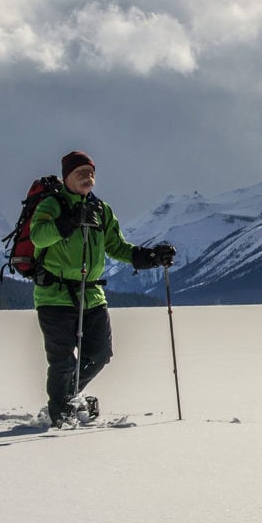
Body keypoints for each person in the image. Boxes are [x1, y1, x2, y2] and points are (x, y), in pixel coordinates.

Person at [30, 150, 176, 427]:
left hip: (93, 296)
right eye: (80, 172)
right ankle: (60, 414)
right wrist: (68, 221)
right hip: (54, 296)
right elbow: (38, 236)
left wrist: (150, 257)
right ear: (67, 178)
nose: (87, 176)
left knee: (100, 355)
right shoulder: (51, 205)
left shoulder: (101, 209)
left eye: (90, 171)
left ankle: (68, 398)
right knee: (62, 362)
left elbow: (117, 246)